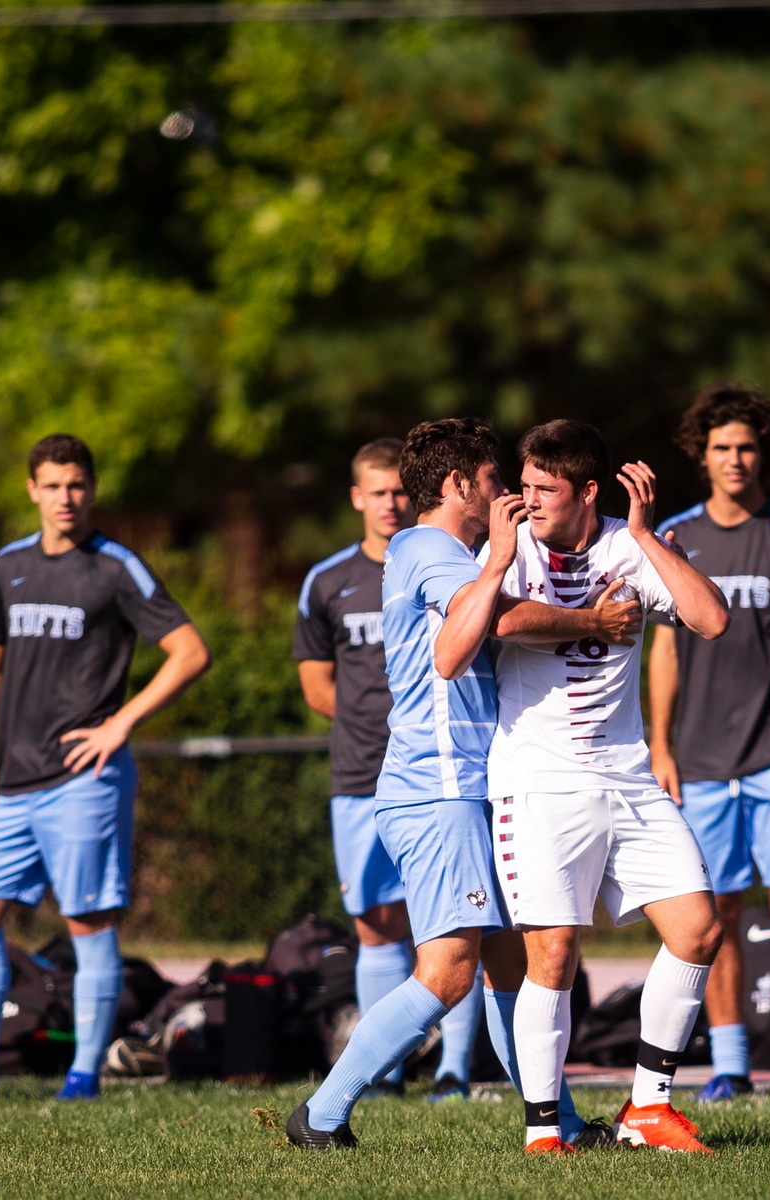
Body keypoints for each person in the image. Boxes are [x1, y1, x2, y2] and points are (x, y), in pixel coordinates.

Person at [286, 418, 637, 1150]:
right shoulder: (425, 547)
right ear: (455, 486)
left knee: (513, 964)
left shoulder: (456, 552)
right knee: (447, 972)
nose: (503, 491)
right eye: (489, 479)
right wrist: (589, 621)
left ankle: (560, 1124)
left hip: (477, 791)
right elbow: (499, 621)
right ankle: (319, 1116)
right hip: (437, 790)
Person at [0, 434, 211, 1103]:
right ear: (31, 490)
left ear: (92, 489)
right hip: (11, 781)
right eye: (52, 485)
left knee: (88, 921)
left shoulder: (115, 567)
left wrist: (120, 724)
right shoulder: (8, 566)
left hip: (84, 779)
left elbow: (189, 650)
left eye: (76, 484)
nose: (65, 497)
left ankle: (83, 1078)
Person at [489, 420, 729, 1154]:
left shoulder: (629, 545)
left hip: (625, 773)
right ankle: (541, 1132)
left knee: (697, 928)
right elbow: (500, 621)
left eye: (542, 489)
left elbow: (709, 618)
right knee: (553, 951)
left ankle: (647, 1109)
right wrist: (592, 617)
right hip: (538, 779)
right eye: (521, 485)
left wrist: (649, 535)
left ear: (586, 492)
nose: (525, 500)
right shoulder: (510, 545)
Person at [649, 384, 770, 1103]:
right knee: (715, 915)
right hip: (696, 765)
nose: (735, 459)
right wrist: (660, 749)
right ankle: (728, 1065)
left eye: (747, 446)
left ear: (765, 455)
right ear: (701, 455)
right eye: (722, 447)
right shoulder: (673, 537)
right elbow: (663, 652)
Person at [292, 438, 485, 1102]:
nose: (390, 504)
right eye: (377, 493)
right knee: (383, 925)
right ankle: (374, 1080)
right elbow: (315, 684)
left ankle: (465, 1074)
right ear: (356, 498)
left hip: (447, 769)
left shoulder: (450, 556)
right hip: (378, 769)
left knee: (464, 935)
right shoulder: (331, 579)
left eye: (399, 491)